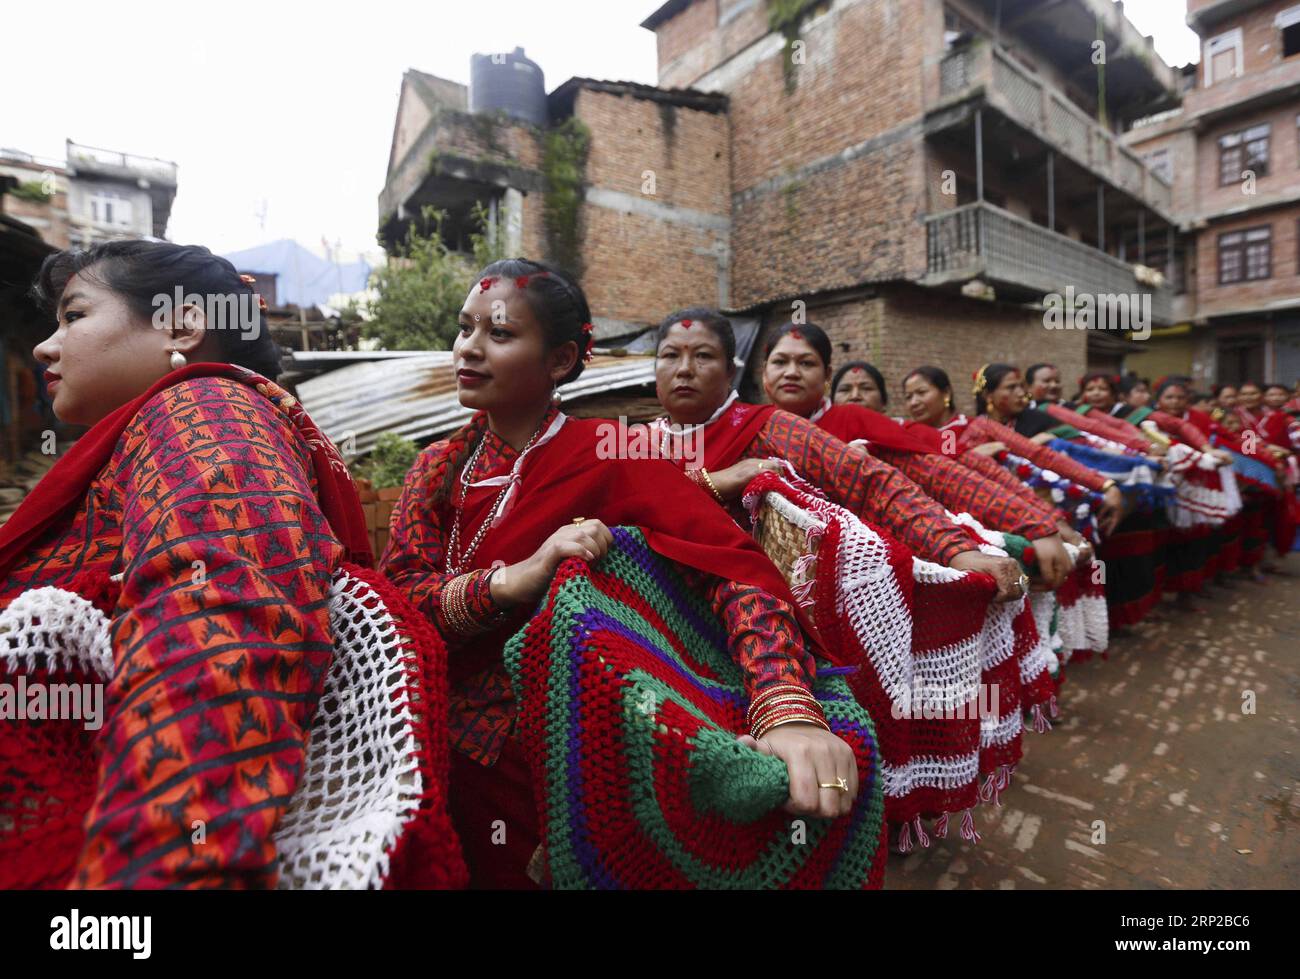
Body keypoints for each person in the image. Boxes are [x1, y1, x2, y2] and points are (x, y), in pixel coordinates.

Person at [379, 263, 877, 889]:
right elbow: (399, 604)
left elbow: (734, 570)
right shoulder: (436, 469)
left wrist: (785, 708)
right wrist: (512, 580)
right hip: (425, 745)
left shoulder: (614, 450)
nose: (469, 348)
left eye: (499, 334)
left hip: (550, 748)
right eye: (463, 329)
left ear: (560, 360)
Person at [0, 240, 461, 890]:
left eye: (74, 315)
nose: (46, 346)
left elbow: (217, 619)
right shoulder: (151, 435)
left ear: (181, 325)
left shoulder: (203, 409)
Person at [649, 309, 1025, 600]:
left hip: (774, 610)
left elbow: (874, 483)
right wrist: (712, 483)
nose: (684, 370)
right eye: (670, 356)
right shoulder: (638, 443)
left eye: (702, 356)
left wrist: (954, 549)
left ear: (730, 372)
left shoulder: (774, 428)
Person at [762, 323, 1074, 587]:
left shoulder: (868, 427)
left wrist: (1040, 523)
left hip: (888, 569)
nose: (792, 373)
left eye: (806, 363)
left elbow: (953, 476)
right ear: (764, 374)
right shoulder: (748, 429)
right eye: (780, 362)